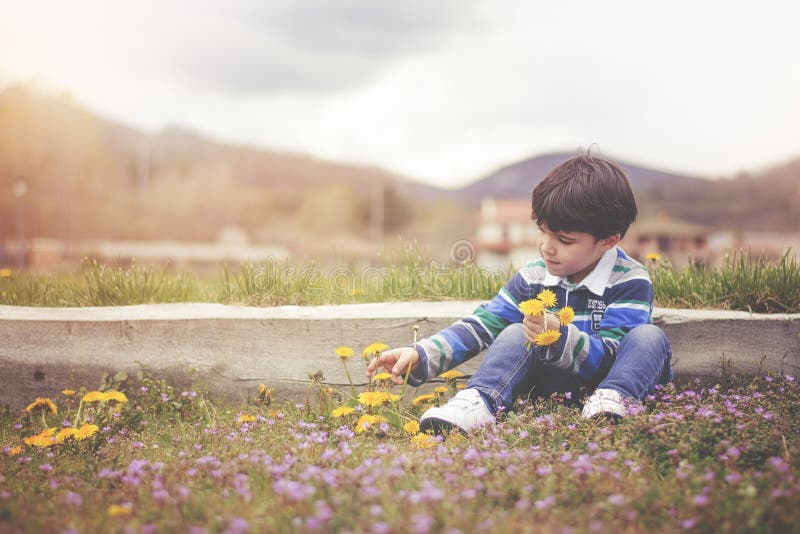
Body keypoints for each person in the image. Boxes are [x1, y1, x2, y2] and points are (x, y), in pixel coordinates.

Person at [367, 154, 672, 434]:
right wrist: (421, 354)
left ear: (607, 240)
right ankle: (479, 400)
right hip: (550, 386)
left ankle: (612, 407)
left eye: (564, 240)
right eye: (542, 231)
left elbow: (612, 357)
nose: (546, 247)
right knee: (515, 331)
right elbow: (483, 324)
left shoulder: (629, 281)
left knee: (649, 337)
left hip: (611, 385)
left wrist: (558, 336)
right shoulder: (533, 278)